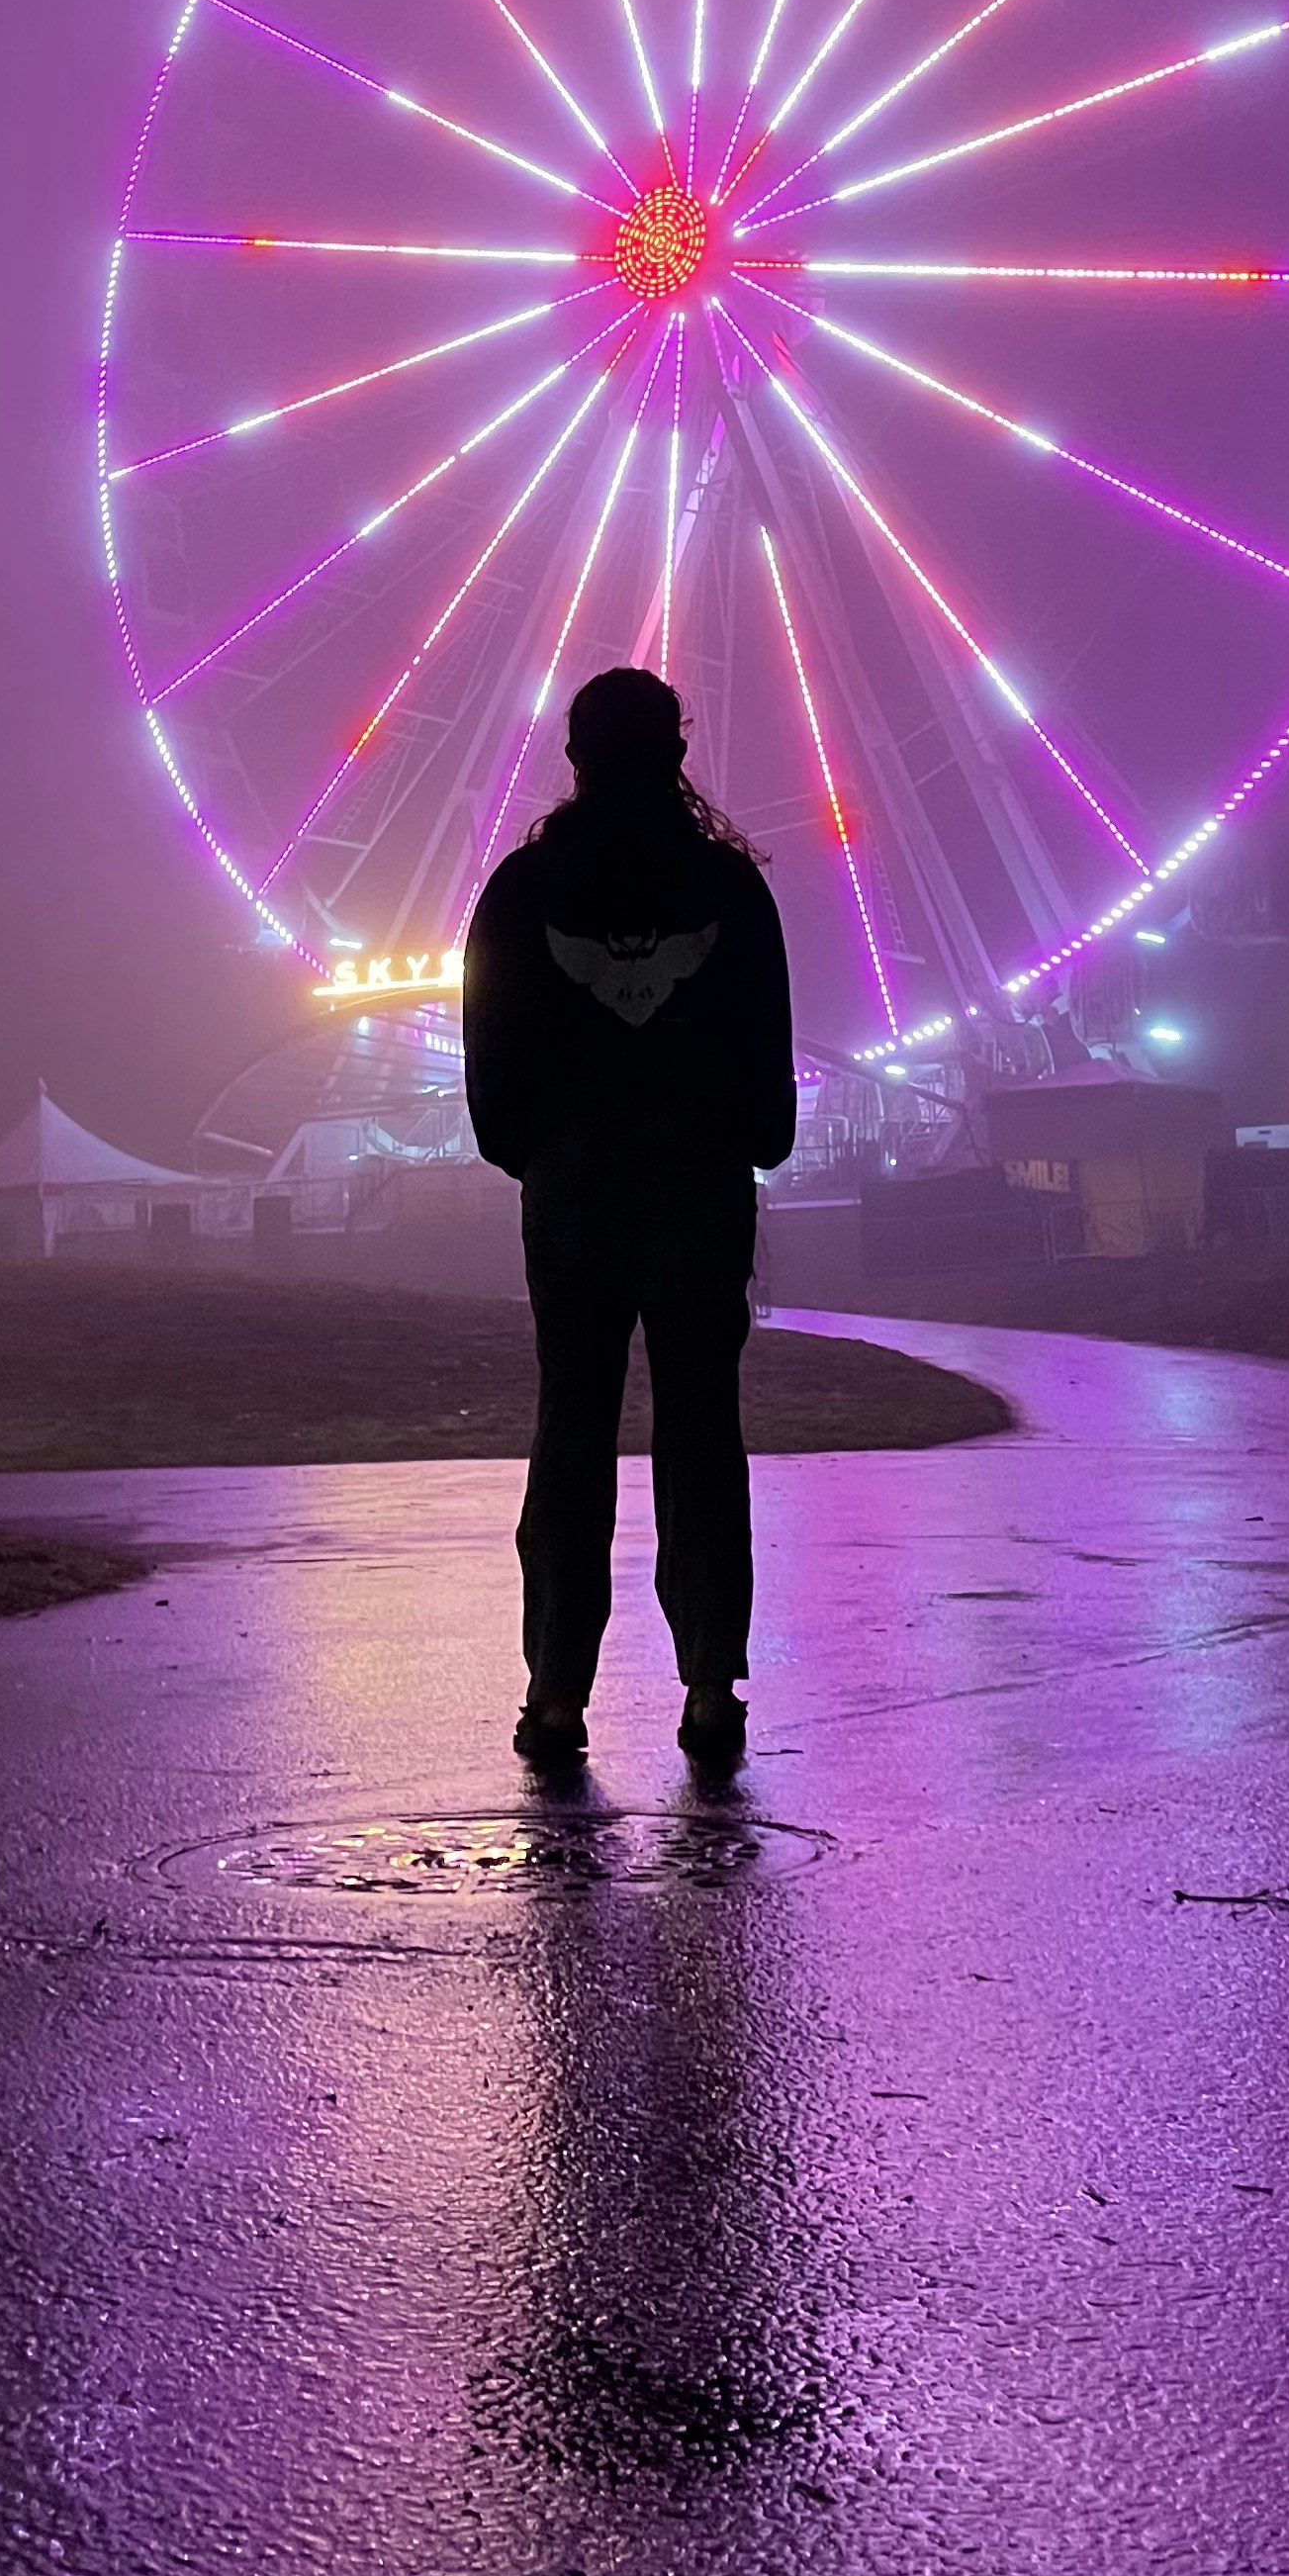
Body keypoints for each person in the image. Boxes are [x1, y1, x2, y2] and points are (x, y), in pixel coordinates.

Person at [461, 666, 795, 1769]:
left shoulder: (521, 891)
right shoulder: (733, 894)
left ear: (575, 757)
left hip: (575, 1196)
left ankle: (557, 1691)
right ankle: (709, 1687)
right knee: (703, 1431)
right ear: (679, 759)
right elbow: (770, 1087)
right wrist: (732, 1140)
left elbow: (492, 1088)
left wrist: (546, 1152)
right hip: (699, 1194)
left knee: (572, 1433)